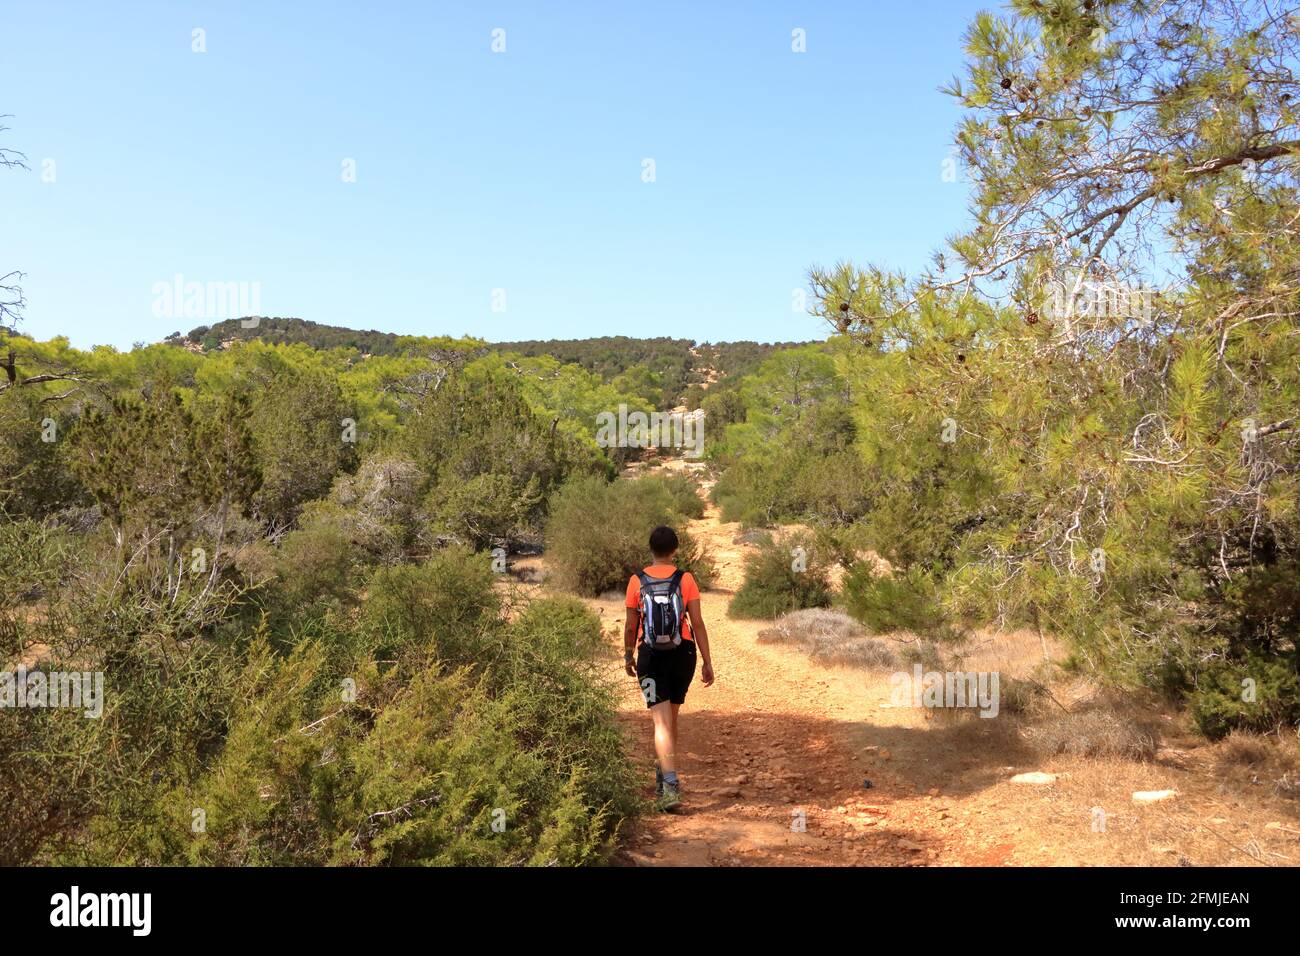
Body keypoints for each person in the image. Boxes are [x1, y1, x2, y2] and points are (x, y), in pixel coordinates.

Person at [624, 525, 714, 811]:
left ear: (651, 550)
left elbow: (630, 626)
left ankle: (669, 786)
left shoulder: (636, 582)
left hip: (650, 656)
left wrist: (628, 655)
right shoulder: (685, 579)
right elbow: (697, 622)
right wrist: (707, 661)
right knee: (671, 720)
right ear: (675, 550)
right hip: (683, 655)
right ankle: (666, 779)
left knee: (660, 722)